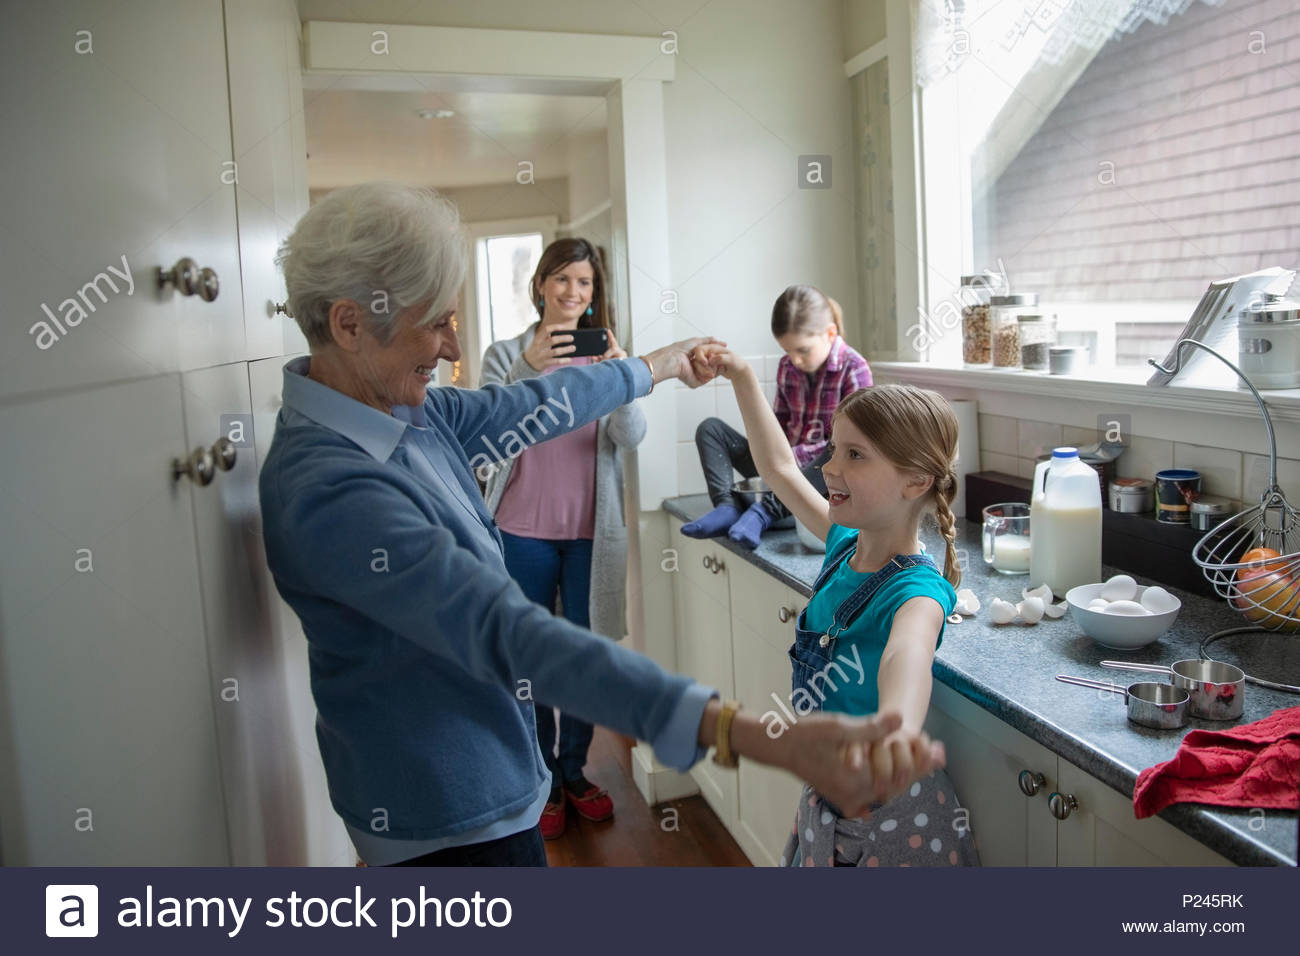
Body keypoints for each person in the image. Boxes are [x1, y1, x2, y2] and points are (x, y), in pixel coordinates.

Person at [258, 181, 946, 867]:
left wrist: (654, 367)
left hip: (498, 782)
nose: (448, 346)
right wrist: (753, 735)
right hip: (443, 819)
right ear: (349, 324)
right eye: (433, 322)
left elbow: (538, 400)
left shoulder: (409, 415)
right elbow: (509, 635)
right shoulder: (331, 486)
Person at [694, 342, 979, 867]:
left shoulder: (916, 593)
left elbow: (906, 657)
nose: (829, 466)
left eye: (855, 455)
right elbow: (779, 467)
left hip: (889, 819)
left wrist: (896, 728)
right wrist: (738, 374)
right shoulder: (843, 542)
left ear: (915, 481)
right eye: (833, 448)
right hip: (826, 801)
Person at [478, 238, 639, 839]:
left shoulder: (606, 359)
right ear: (541, 283)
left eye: (586, 283)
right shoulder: (504, 354)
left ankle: (573, 770)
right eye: (563, 280)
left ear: (595, 294)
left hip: (589, 535)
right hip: (520, 530)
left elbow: (633, 435)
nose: (574, 293)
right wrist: (529, 368)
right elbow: (488, 425)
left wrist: (623, 376)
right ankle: (539, 775)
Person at [681, 285, 871, 549]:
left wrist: (790, 460)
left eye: (802, 350)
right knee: (710, 429)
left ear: (829, 334)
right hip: (781, 469)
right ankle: (727, 507)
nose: (795, 359)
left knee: (837, 449)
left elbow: (855, 448)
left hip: (820, 479)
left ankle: (763, 512)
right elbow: (776, 426)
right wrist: (775, 457)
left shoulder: (854, 368)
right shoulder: (787, 366)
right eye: (788, 351)